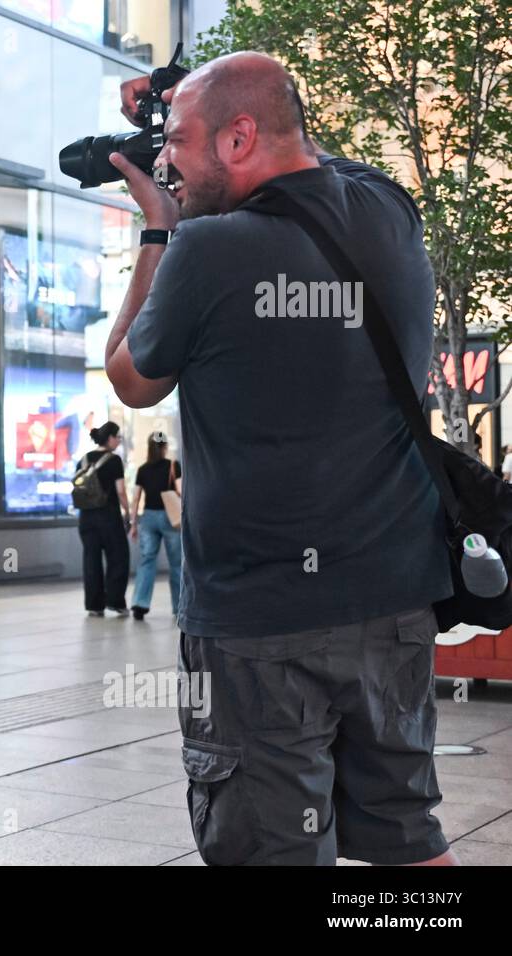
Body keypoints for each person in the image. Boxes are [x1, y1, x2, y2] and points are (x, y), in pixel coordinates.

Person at [104, 52, 456, 865]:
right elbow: (298, 142)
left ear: (238, 139)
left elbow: (129, 375)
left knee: (269, 849)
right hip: (393, 601)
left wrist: (158, 227)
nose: (167, 163)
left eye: (180, 143)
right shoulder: (387, 209)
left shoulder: (209, 250)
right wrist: (189, 94)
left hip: (262, 620)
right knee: (407, 837)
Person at [76, 421, 131, 618]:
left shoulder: (83, 460)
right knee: (118, 557)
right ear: (109, 438)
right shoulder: (114, 460)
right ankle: (115, 602)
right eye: (117, 437)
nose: (118, 441)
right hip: (108, 518)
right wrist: (128, 512)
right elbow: (121, 491)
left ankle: (94, 605)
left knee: (91, 560)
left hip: (86, 519)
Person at [129, 431, 182, 621]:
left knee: (147, 560)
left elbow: (136, 498)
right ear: (165, 446)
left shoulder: (143, 469)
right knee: (176, 564)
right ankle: (179, 607)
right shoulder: (173, 466)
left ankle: (140, 604)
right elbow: (181, 491)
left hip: (149, 518)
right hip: (170, 517)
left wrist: (133, 523)